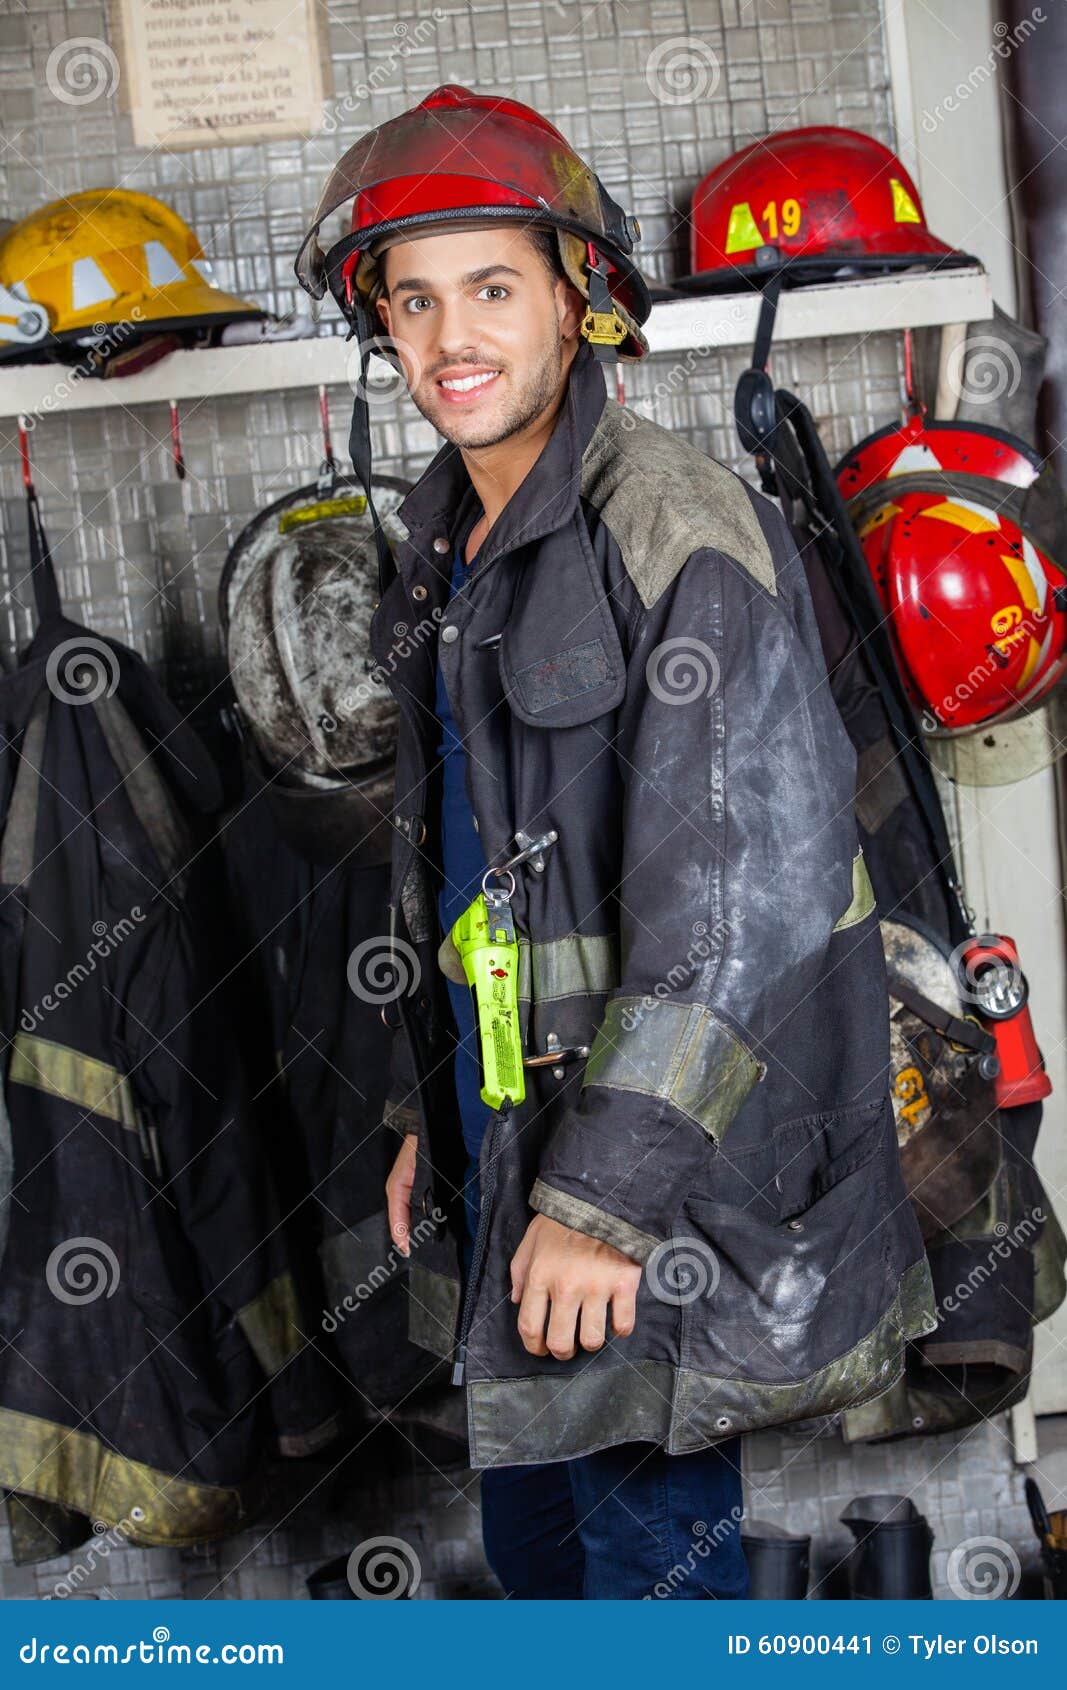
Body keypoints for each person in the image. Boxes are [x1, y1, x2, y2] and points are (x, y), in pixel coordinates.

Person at [295, 86, 936, 1601]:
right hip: (525, 1150)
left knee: (653, 1579)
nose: (451, 335)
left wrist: (603, 1202)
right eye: (416, 298)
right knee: (546, 1566)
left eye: (494, 288)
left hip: (648, 1192)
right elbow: (475, 866)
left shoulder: (671, 524)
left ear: (578, 301)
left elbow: (750, 903)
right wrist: (427, 1105)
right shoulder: (455, 535)